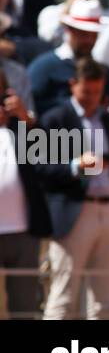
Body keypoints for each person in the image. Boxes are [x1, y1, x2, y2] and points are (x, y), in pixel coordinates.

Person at [38, 57, 109, 320]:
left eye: (97, 92)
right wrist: (76, 166)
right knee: (63, 295)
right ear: (72, 85)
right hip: (74, 209)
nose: (91, 97)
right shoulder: (56, 118)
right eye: (86, 91)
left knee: (104, 300)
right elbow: (40, 167)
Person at [0, 72, 49, 318]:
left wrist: (25, 118)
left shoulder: (22, 130)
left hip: (23, 233)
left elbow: (54, 154)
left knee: (25, 308)